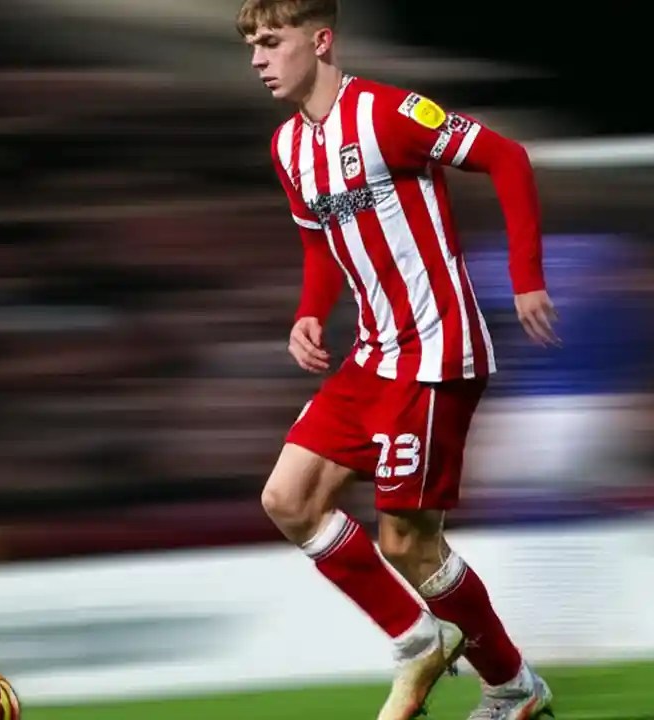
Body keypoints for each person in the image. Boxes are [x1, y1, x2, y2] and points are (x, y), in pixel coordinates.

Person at [237, 1, 559, 718]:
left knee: (409, 544)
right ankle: (420, 640)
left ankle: (511, 689)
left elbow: (507, 157)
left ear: (319, 41)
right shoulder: (289, 148)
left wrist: (527, 275)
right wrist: (309, 313)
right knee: (287, 500)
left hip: (436, 350)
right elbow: (320, 244)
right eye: (251, 47)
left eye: (270, 42)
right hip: (373, 355)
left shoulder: (391, 114)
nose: (257, 59)